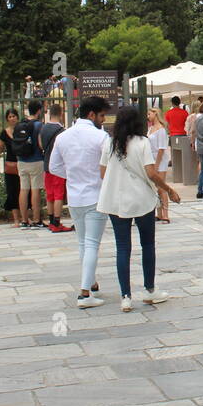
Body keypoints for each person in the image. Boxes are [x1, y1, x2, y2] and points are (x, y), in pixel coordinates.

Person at [98, 104, 179, 311]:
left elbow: (102, 173)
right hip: (141, 199)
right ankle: (150, 290)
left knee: (122, 248)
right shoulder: (142, 142)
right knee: (147, 245)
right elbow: (151, 173)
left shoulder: (110, 143)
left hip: (116, 200)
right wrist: (168, 190)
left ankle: (125, 296)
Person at [48, 96, 111, 309]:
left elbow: (54, 166)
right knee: (92, 243)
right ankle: (85, 292)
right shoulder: (101, 137)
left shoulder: (63, 136)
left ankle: (90, 282)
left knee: (84, 242)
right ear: (91, 114)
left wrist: (74, 174)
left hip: (74, 196)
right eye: (102, 115)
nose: (103, 119)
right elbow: (109, 166)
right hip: (96, 195)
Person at [13, 100, 47, 228]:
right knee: (35, 190)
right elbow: (40, 144)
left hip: (21, 161)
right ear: (39, 110)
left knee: (23, 190)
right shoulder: (39, 125)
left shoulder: (21, 124)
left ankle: (24, 220)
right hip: (36, 160)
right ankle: (37, 219)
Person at [39, 104, 72, 232]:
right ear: (61, 113)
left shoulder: (43, 128)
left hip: (46, 165)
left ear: (49, 113)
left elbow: (41, 145)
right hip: (58, 167)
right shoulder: (62, 131)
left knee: (50, 195)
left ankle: (51, 219)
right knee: (59, 195)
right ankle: (57, 222)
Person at [0, 108, 21, 227]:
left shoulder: (22, 130)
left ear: (17, 117)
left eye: (14, 116)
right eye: (10, 117)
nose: (12, 118)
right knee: (12, 192)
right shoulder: (4, 133)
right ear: (7, 119)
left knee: (25, 191)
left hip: (22, 164)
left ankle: (26, 217)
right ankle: (16, 219)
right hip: (10, 165)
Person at [146, 107, 172, 223]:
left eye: (149, 114)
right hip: (151, 158)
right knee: (155, 187)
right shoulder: (150, 128)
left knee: (161, 187)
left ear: (155, 114)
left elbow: (162, 148)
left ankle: (165, 213)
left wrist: (156, 165)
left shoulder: (161, 129)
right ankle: (159, 212)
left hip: (159, 159)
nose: (148, 116)